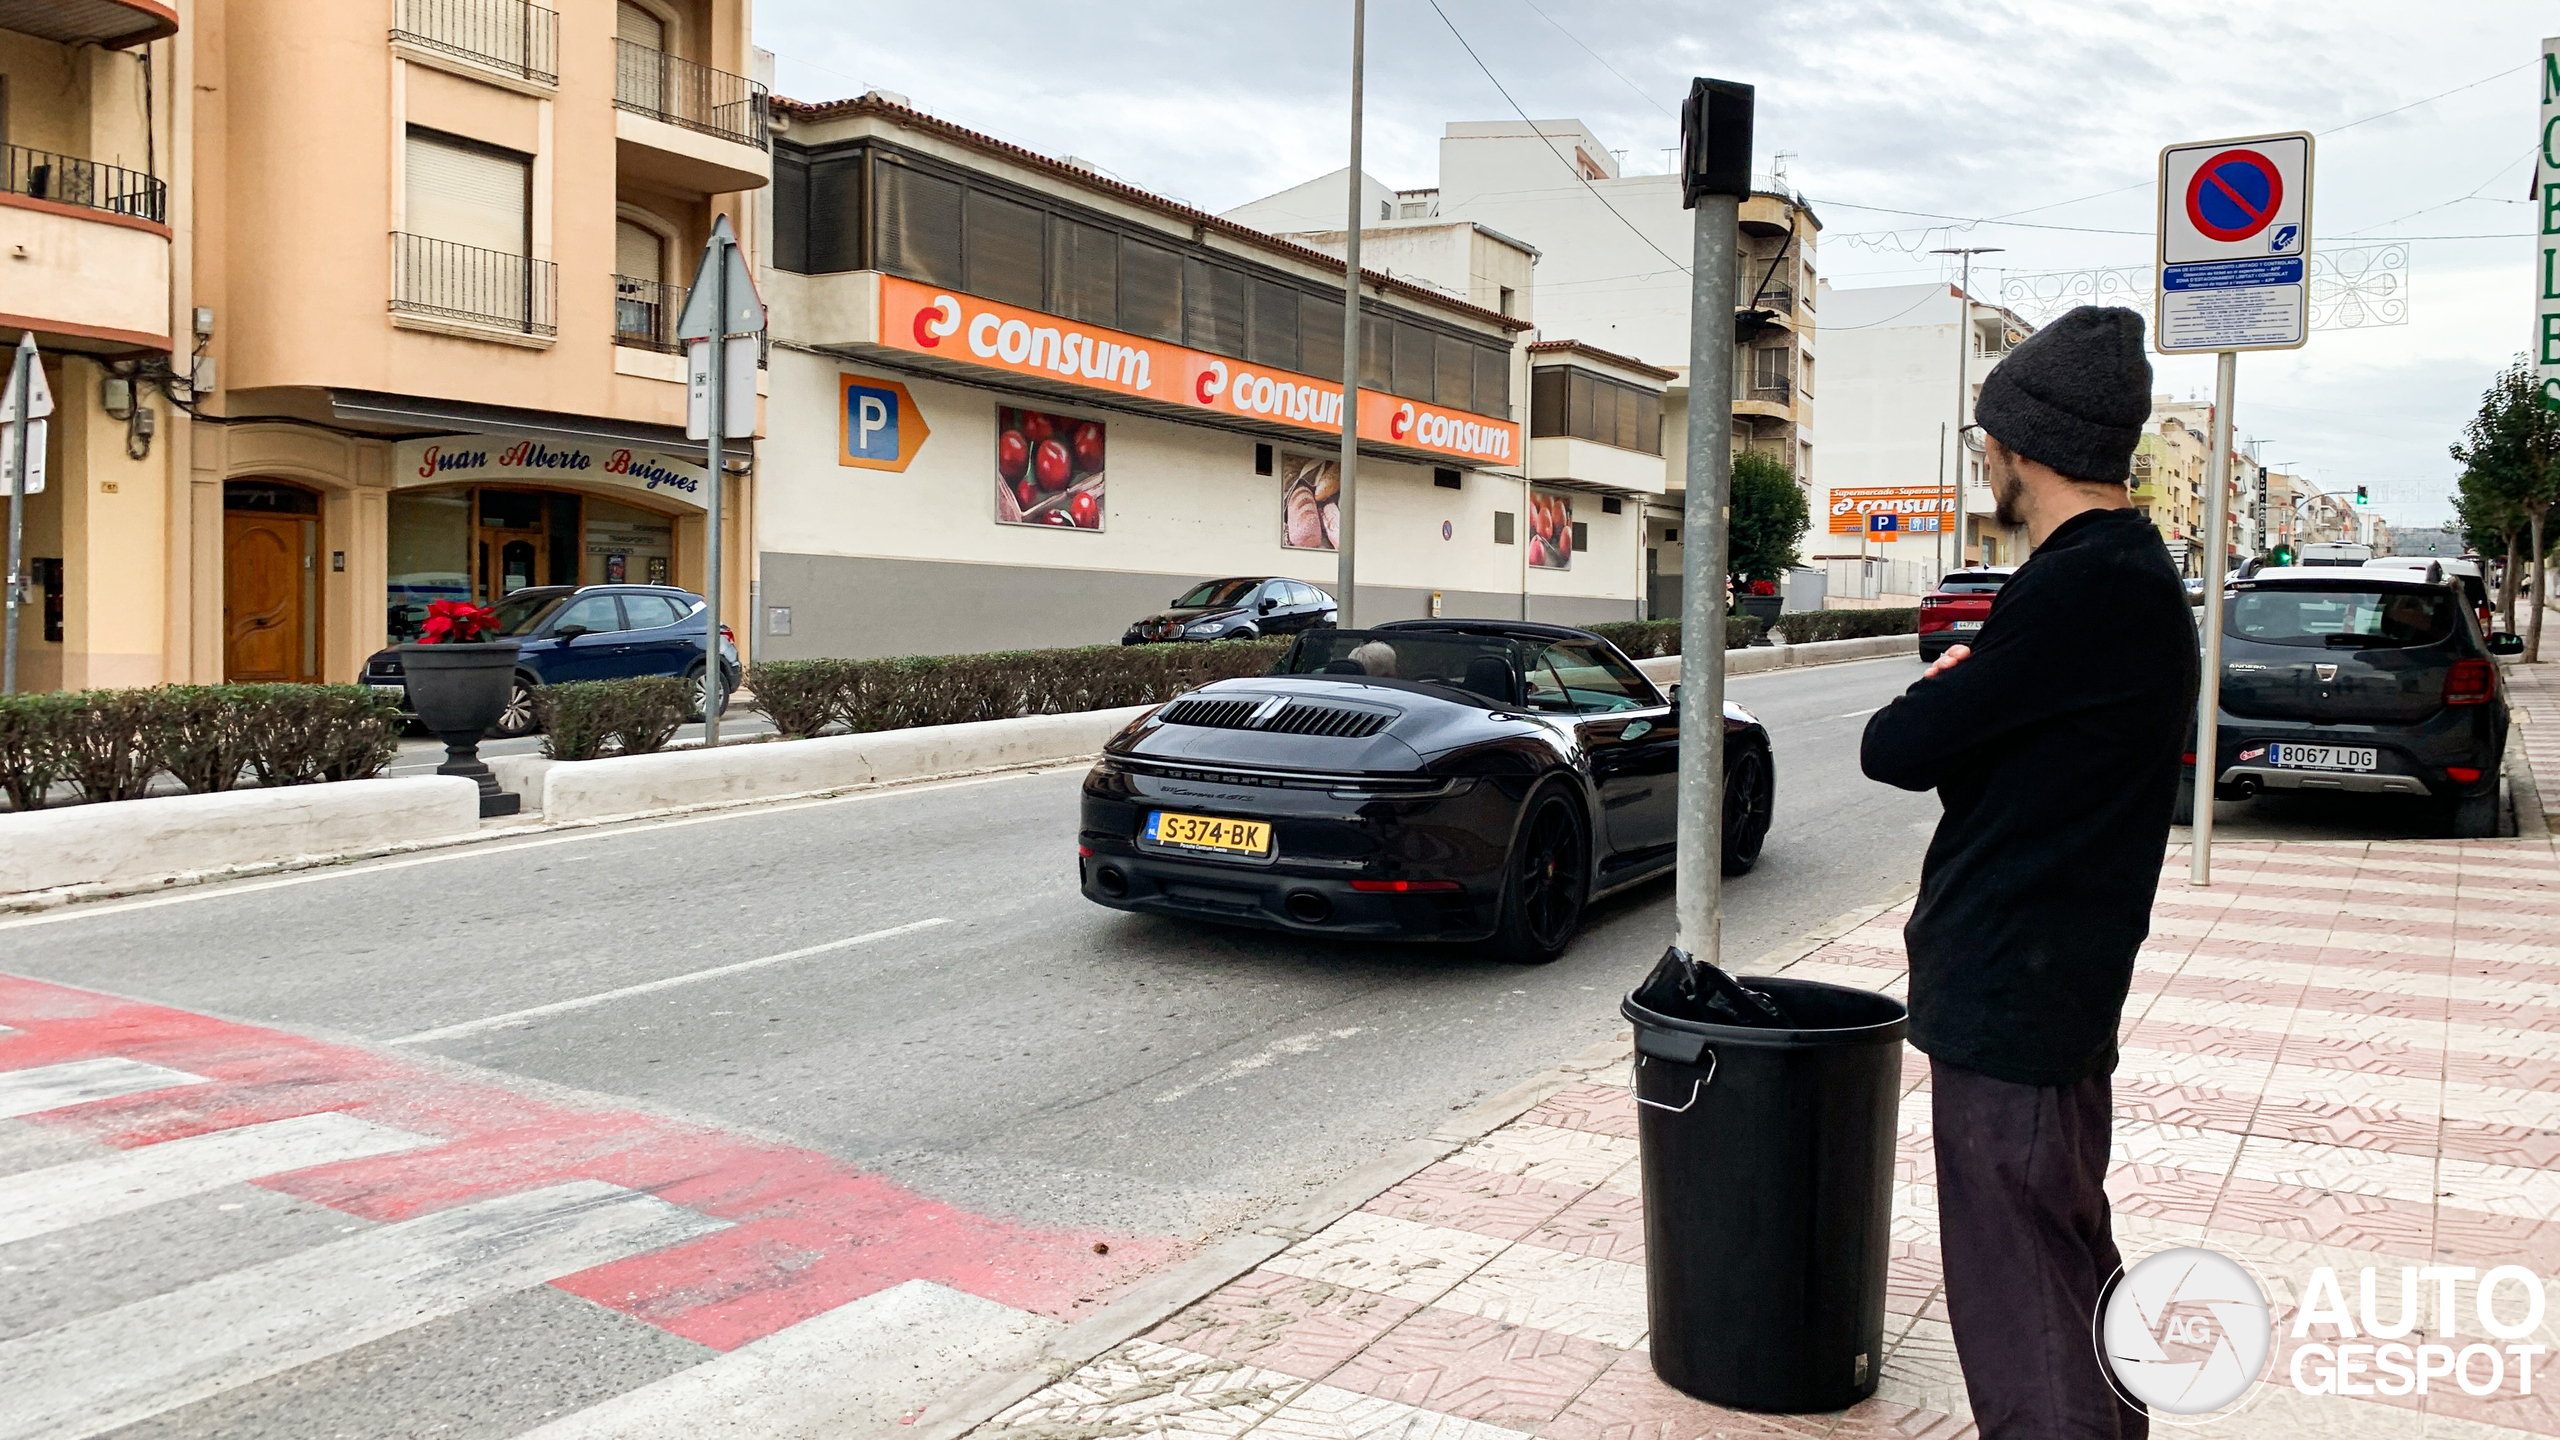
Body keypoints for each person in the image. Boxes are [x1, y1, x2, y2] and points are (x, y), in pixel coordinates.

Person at [1860, 306, 2197, 1439]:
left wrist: (1942, 689)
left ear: (2024, 447)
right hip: (2054, 976)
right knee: (2058, 1249)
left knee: (2019, 1293)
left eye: (1986, 444)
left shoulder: (2076, 588)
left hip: (2018, 984)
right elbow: (2031, 763)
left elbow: (1894, 751)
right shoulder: (2125, 575)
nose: (1984, 463)